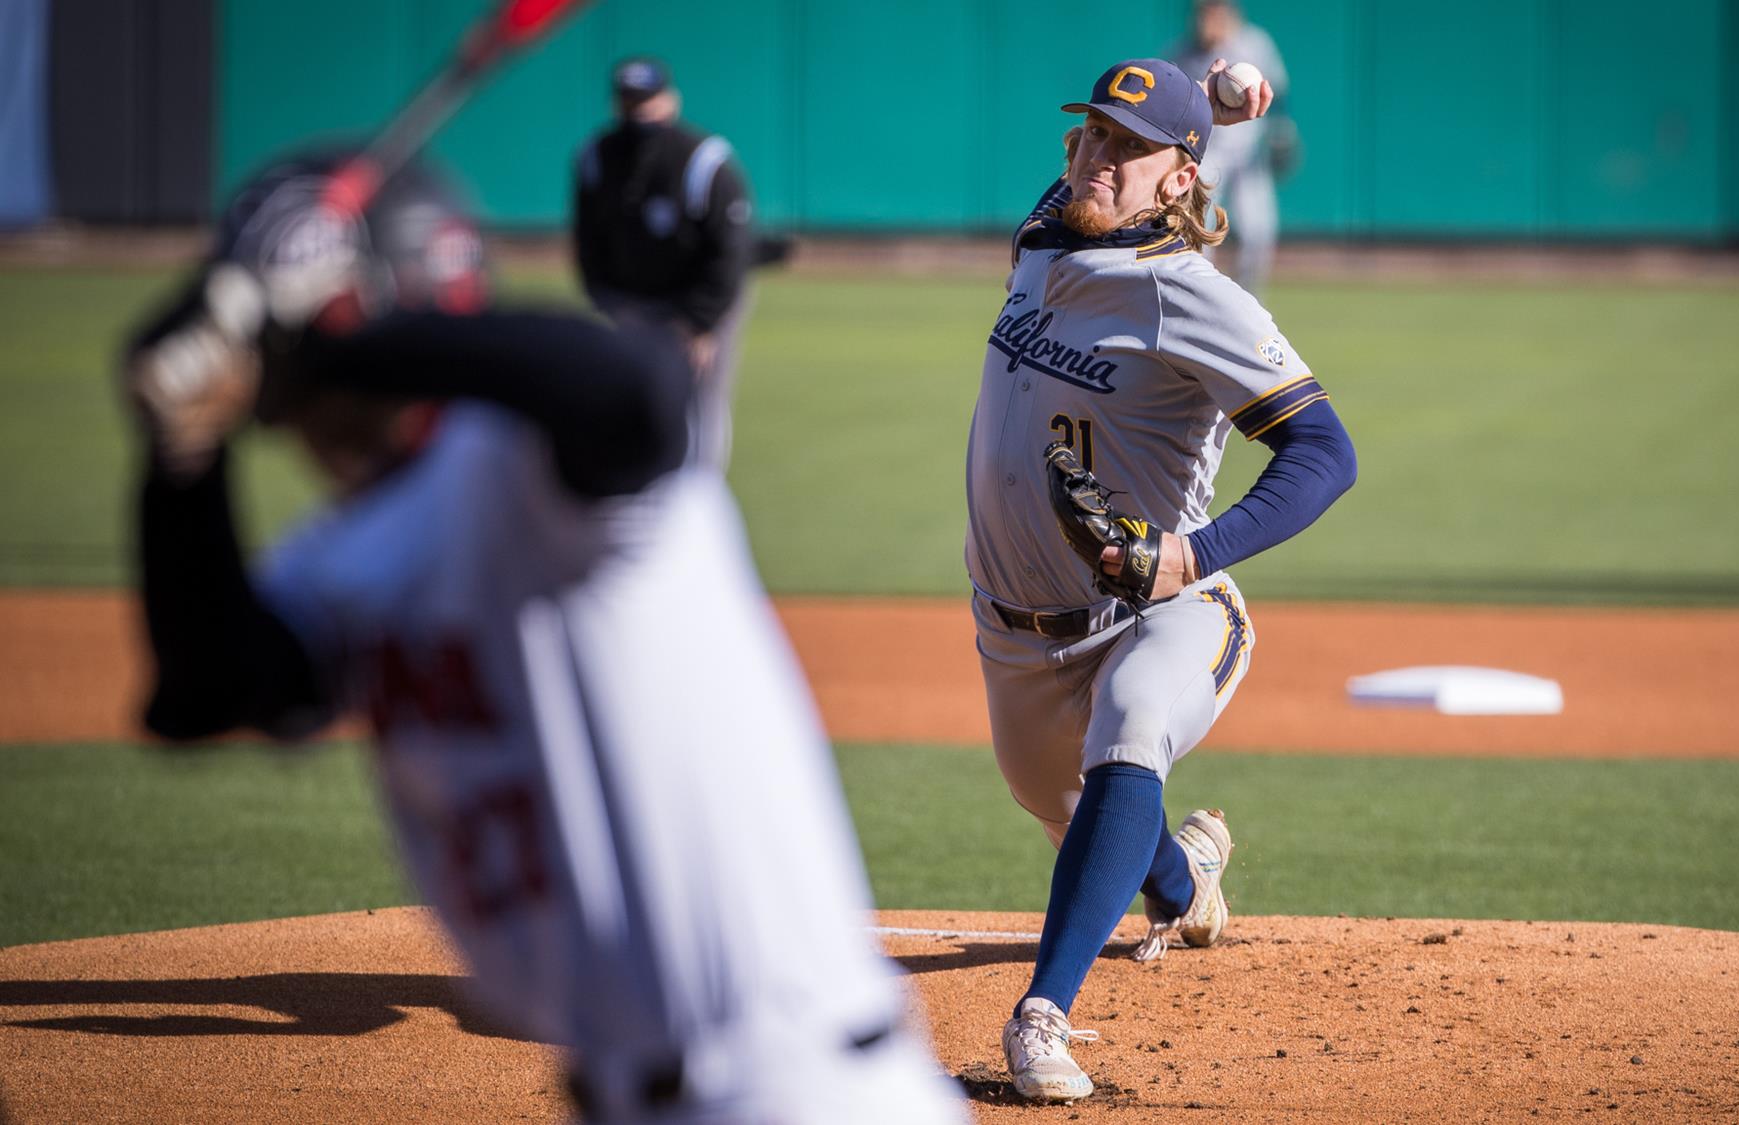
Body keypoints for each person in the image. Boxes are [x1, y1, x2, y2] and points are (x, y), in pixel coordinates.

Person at [125, 151, 966, 1124]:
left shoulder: (541, 476)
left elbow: (633, 389)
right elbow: (208, 690)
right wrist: (179, 463)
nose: (298, 413)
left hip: (787, 1089)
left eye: (300, 380)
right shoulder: (346, 556)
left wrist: (335, 340)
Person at [965, 58, 1357, 1102]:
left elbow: (1325, 453)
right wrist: (1207, 118)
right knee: (1084, 813)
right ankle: (1186, 886)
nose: (1098, 158)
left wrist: (1193, 553)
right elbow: (1118, 177)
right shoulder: (1050, 236)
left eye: (1126, 147)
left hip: (1157, 605)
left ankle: (1040, 1020)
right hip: (1015, 640)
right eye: (1091, 136)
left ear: (1176, 180)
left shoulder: (1191, 300)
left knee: (1130, 732)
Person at [573, 57, 756, 468]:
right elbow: (588, 243)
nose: (639, 110)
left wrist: (702, 322)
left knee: (701, 406)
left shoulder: (704, 161)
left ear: (670, 100)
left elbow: (730, 251)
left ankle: (699, 496)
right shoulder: (597, 157)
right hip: (632, 304)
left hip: (699, 300)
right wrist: (608, 304)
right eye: (629, 100)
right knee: (630, 399)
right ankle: (637, 489)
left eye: (647, 99)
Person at [1170, 0, 1293, 295]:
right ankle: (1200, 296)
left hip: (1249, 151)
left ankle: (1249, 301)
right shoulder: (1182, 52)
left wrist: (1283, 127)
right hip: (1206, 151)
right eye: (1204, 9)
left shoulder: (1255, 43)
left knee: (1257, 231)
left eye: (1215, 7)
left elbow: (1279, 90)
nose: (1210, 14)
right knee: (1198, 229)